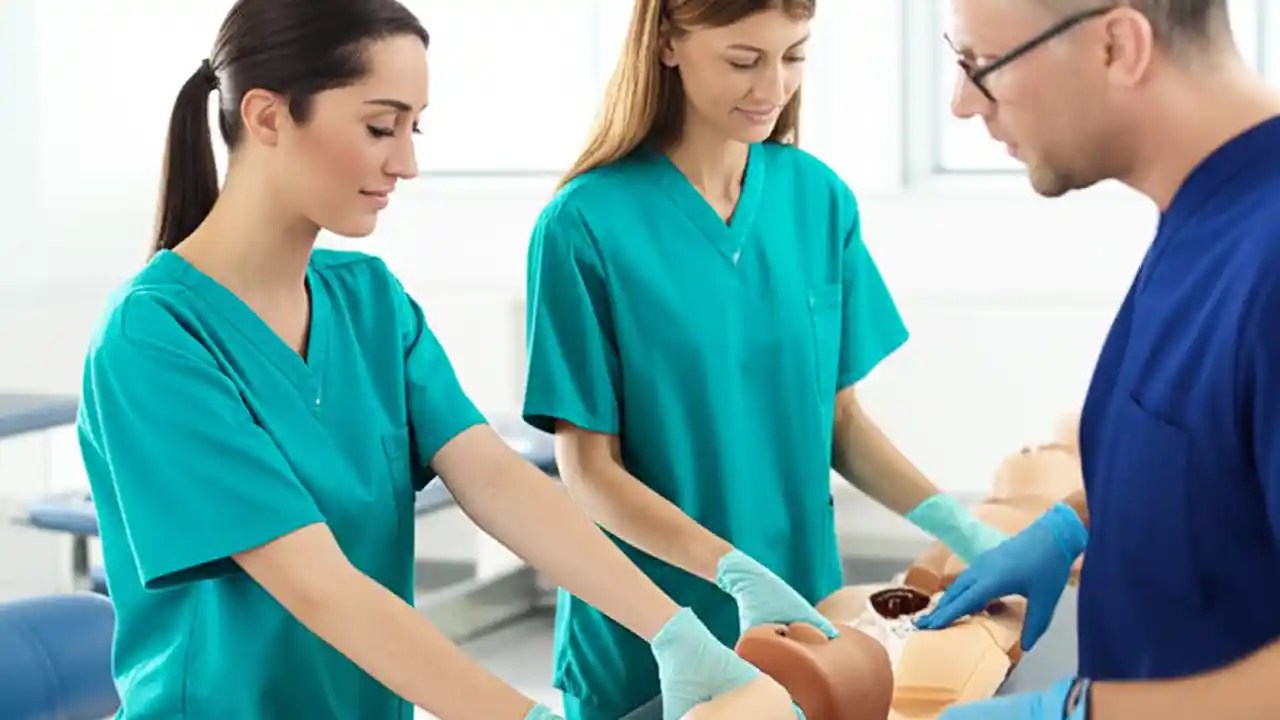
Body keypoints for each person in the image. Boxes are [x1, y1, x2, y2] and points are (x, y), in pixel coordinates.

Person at [74, 1, 776, 718]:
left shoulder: (370, 302)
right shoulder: (155, 339)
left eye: (415, 127)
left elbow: (496, 479)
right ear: (267, 116)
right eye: (381, 127)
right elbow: (321, 586)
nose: (406, 163)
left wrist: (670, 628)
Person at [520, 1, 1011, 717]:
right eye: (742, 60)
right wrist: (730, 570)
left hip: (802, 617)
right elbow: (589, 470)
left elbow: (839, 423)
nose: (772, 87)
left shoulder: (815, 199)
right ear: (667, 46)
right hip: (655, 628)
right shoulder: (583, 224)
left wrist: (959, 527)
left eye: (794, 55)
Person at [912, 1, 1280, 718]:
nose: (962, 104)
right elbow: (1217, 453)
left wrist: (1080, 713)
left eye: (979, 65)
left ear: (1117, 45)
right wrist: (1078, 522)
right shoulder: (1208, 215)